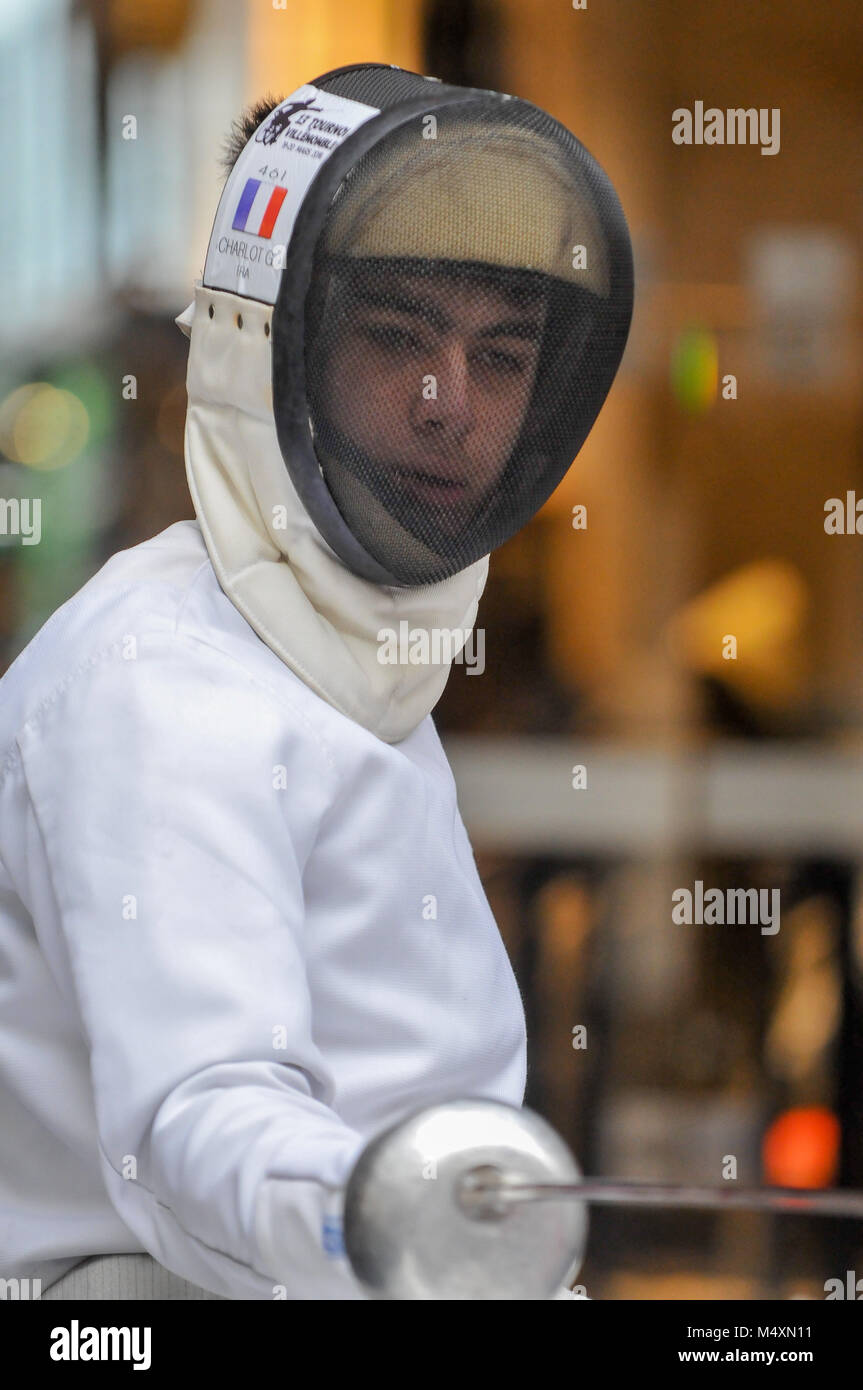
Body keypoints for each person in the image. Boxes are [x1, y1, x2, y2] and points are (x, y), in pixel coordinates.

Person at [0, 63, 632, 1300]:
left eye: (502, 355)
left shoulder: (349, 660)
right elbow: (201, 1121)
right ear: (267, 341)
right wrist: (394, 1221)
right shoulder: (160, 681)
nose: (450, 404)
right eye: (396, 338)